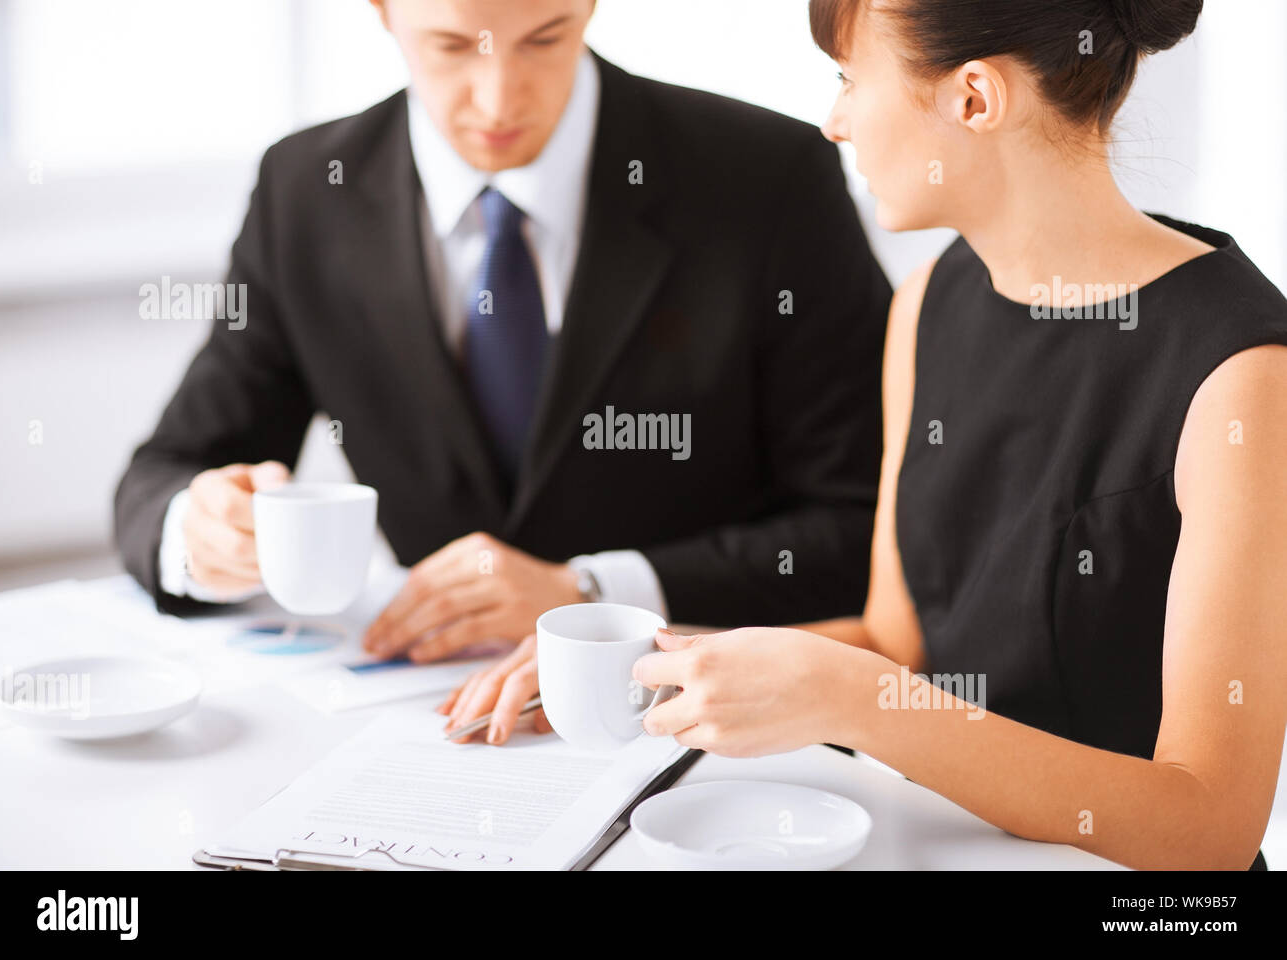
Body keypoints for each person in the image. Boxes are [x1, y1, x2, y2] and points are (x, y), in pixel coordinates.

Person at [448, 0, 1287, 870]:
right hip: (935, 847)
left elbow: (1210, 827)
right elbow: (898, 645)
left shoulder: (1241, 372)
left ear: (973, 99)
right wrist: (646, 667)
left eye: (851, 79)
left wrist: (867, 702)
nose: (834, 121)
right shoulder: (929, 303)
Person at [113, 0, 891, 658]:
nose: (498, 101)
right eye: (452, 47)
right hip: (428, 721)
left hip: (709, 725)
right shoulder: (306, 192)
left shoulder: (768, 177)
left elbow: (872, 522)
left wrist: (591, 592)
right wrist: (200, 531)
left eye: (544, 38)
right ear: (382, 11)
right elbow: (167, 471)